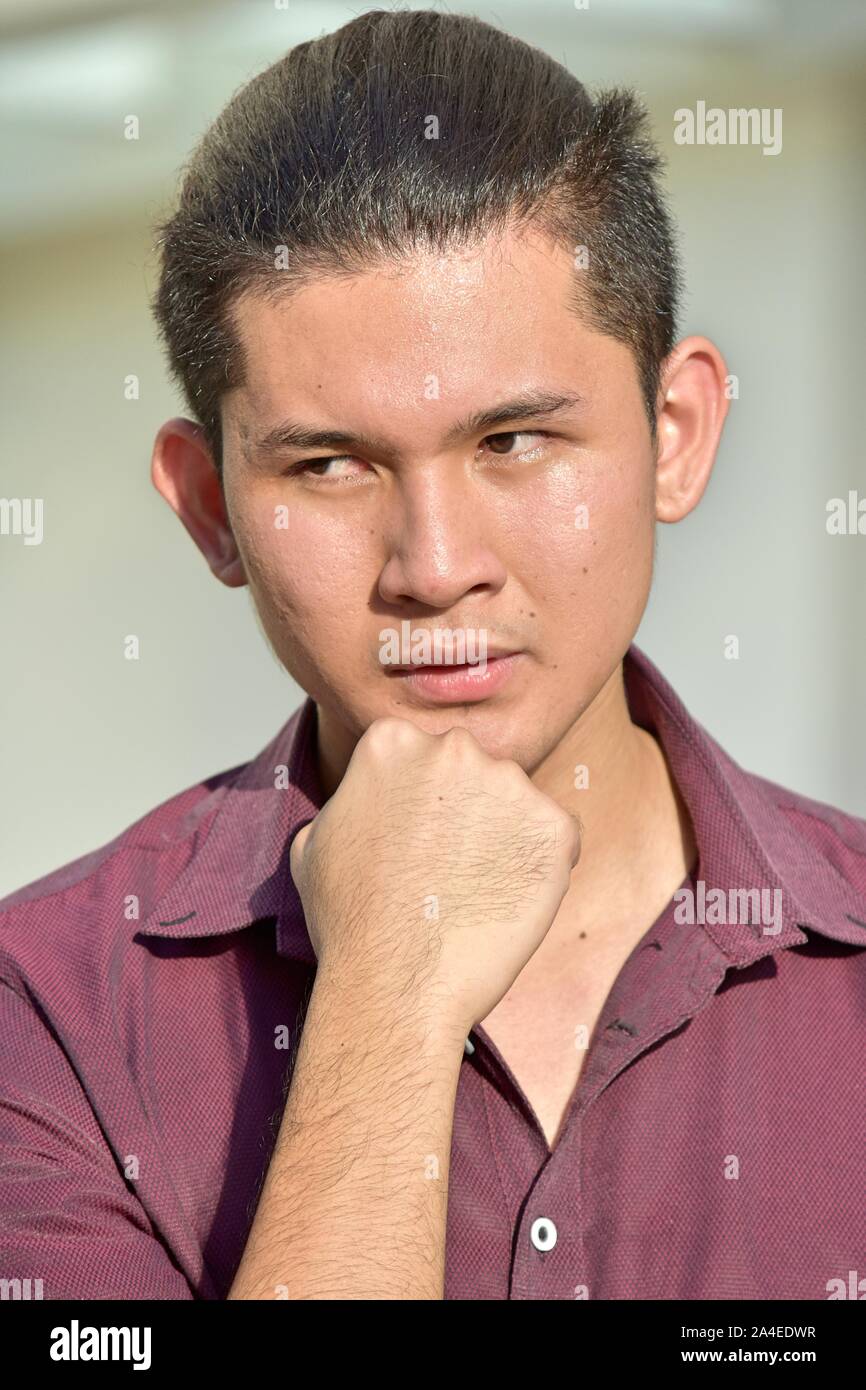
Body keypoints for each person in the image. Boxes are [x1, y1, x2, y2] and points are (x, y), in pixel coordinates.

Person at [2, 8, 864, 1302]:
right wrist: (389, 998)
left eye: (513, 441)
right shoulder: (47, 1017)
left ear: (675, 434)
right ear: (209, 507)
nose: (436, 563)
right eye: (329, 464)